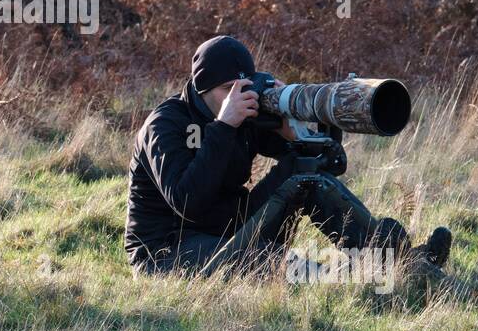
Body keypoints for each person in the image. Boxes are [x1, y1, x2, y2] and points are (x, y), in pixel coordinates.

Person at [125, 35, 450, 278]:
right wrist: (224, 126)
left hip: (230, 228)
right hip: (167, 251)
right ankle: (350, 281)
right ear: (201, 89)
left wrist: (300, 135)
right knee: (267, 263)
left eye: (244, 87)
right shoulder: (165, 125)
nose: (237, 97)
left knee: (305, 176)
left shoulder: (247, 113)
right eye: (227, 89)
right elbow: (187, 205)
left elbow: (330, 166)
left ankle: (400, 259)